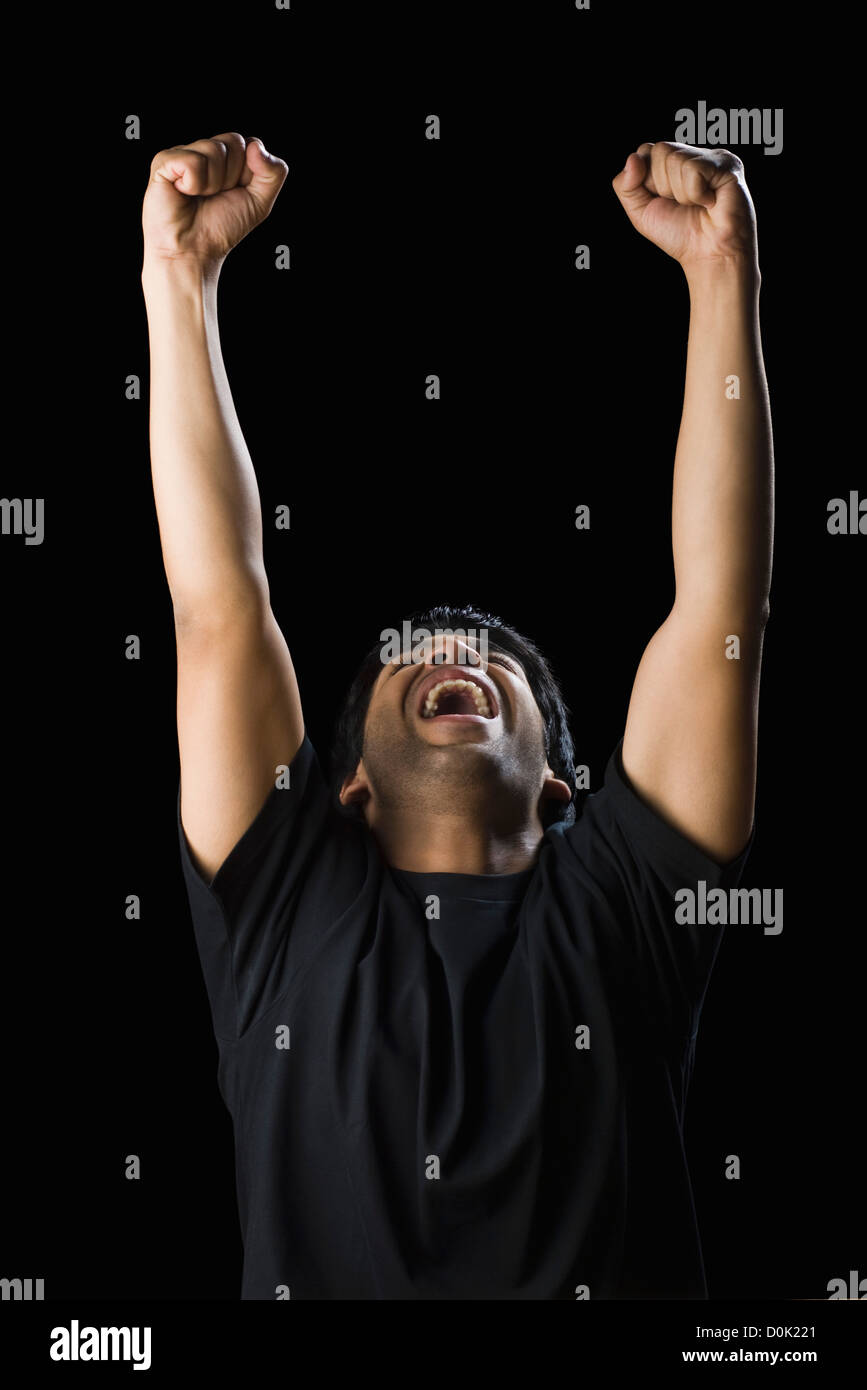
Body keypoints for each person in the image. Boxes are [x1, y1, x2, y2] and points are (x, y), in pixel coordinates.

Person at [141, 132, 773, 1299]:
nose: (453, 653)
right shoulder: (286, 901)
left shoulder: (623, 911)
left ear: (558, 786)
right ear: (350, 787)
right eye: (416, 656)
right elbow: (219, 608)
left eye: (499, 663)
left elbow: (719, 608)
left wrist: (724, 267)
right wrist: (176, 279)